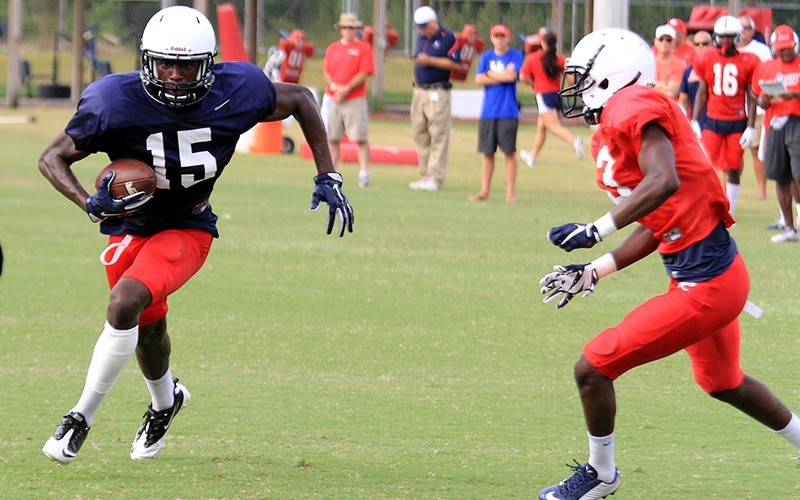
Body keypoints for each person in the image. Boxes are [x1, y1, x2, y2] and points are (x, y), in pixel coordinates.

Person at [39, 5, 354, 465]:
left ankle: (79, 418)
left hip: (188, 225)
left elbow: (303, 98)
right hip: (131, 229)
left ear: (209, 64)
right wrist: (88, 202)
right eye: (165, 62)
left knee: (125, 302)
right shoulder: (113, 100)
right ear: (146, 60)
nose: (175, 75)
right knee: (148, 331)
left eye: (187, 65)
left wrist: (328, 175)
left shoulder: (237, 90)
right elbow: (52, 158)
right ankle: (167, 403)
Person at [537, 28, 800, 499]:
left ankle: (602, 474)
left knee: (591, 368)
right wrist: (596, 268)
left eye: (583, 77)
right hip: (715, 274)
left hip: (705, 287)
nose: (574, 88)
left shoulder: (629, 105)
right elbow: (661, 223)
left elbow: (664, 179)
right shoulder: (619, 130)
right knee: (724, 382)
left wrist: (596, 229)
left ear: (610, 76)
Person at [691, 15, 759, 215]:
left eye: (730, 37)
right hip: (712, 120)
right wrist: (695, 119)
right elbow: (703, 91)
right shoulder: (706, 57)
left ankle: (730, 210)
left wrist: (751, 126)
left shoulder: (748, 60)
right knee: (705, 165)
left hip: (737, 122)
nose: (726, 41)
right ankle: (705, 205)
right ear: (716, 37)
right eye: (722, 37)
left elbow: (751, 96)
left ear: (737, 37)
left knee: (733, 167)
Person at [752, 24, 800, 243]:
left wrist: (794, 96)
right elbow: (757, 95)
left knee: (798, 175)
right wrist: (762, 100)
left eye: (788, 48)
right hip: (775, 124)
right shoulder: (767, 67)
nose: (785, 52)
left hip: (797, 121)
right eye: (781, 49)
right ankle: (789, 227)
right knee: (780, 177)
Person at [468, 24, 523, 204]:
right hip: (488, 112)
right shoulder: (486, 57)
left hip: (507, 111)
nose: (500, 40)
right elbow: (478, 79)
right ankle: (485, 190)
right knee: (487, 152)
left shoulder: (515, 55)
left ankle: (510, 192)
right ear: (492, 38)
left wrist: (490, 74)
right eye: (496, 36)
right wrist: (500, 75)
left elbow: (511, 77)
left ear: (508, 38)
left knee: (509, 151)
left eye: (503, 36)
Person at [408, 5, 460, 192]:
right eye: (419, 27)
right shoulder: (421, 38)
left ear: (433, 23)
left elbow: (455, 63)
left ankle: (436, 178)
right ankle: (425, 175)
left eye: (424, 26)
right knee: (420, 133)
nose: (422, 30)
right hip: (419, 90)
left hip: (438, 91)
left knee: (438, 134)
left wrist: (430, 60)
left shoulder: (447, 38)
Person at [323, 12, 375, 188]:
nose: (348, 31)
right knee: (333, 137)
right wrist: (335, 87)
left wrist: (346, 88)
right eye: (345, 28)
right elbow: (326, 72)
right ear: (341, 29)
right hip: (334, 97)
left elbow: (364, 72)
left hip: (355, 98)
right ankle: (332, 172)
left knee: (360, 136)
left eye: (351, 28)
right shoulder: (332, 48)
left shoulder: (363, 48)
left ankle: (364, 172)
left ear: (356, 30)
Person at [518, 31, 584, 168]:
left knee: (553, 127)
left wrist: (533, 84)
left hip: (543, 95)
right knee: (541, 127)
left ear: (542, 43)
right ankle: (532, 156)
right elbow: (570, 78)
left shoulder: (533, 58)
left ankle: (574, 141)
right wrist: (571, 89)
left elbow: (522, 76)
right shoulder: (558, 59)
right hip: (556, 96)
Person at [738, 15, 773, 200]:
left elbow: (766, 74)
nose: (742, 31)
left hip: (756, 107)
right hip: (734, 106)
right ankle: (731, 187)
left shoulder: (761, 50)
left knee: (755, 148)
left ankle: (761, 188)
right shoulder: (729, 48)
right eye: (739, 27)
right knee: (733, 151)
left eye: (745, 27)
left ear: (752, 30)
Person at [677, 30, 712, 127]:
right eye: (697, 44)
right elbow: (683, 101)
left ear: (712, 44)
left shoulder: (719, 67)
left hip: (717, 124)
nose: (701, 46)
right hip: (697, 122)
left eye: (705, 43)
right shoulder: (688, 71)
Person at [652, 24, 686, 101]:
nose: (664, 42)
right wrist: (665, 85)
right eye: (661, 39)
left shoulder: (679, 65)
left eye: (668, 40)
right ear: (655, 41)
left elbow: (672, 92)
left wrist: (652, 85)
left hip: (668, 106)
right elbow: (642, 87)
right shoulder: (649, 61)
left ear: (673, 42)